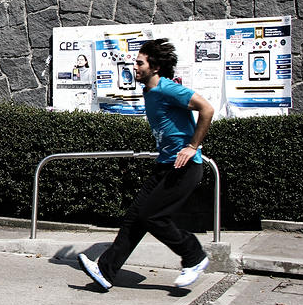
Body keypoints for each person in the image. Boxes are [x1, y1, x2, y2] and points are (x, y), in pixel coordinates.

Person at [78, 38, 214, 291]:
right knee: (135, 217)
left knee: (153, 216)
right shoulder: (149, 91)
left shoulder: (167, 89)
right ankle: (105, 271)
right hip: (165, 165)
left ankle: (194, 257)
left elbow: (206, 109)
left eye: (140, 63)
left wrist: (192, 146)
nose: (135, 67)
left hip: (185, 167)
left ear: (155, 67)